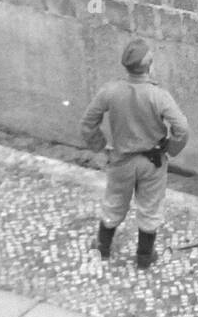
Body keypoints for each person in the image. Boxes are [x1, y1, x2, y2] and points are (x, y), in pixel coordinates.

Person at [80, 37, 189, 269]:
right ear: (149, 64)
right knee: (150, 208)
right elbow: (182, 127)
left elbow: (88, 123)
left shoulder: (110, 91)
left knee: (114, 203)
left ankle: (102, 248)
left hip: (120, 160)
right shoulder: (158, 95)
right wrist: (171, 148)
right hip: (153, 162)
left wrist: (100, 147)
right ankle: (144, 256)